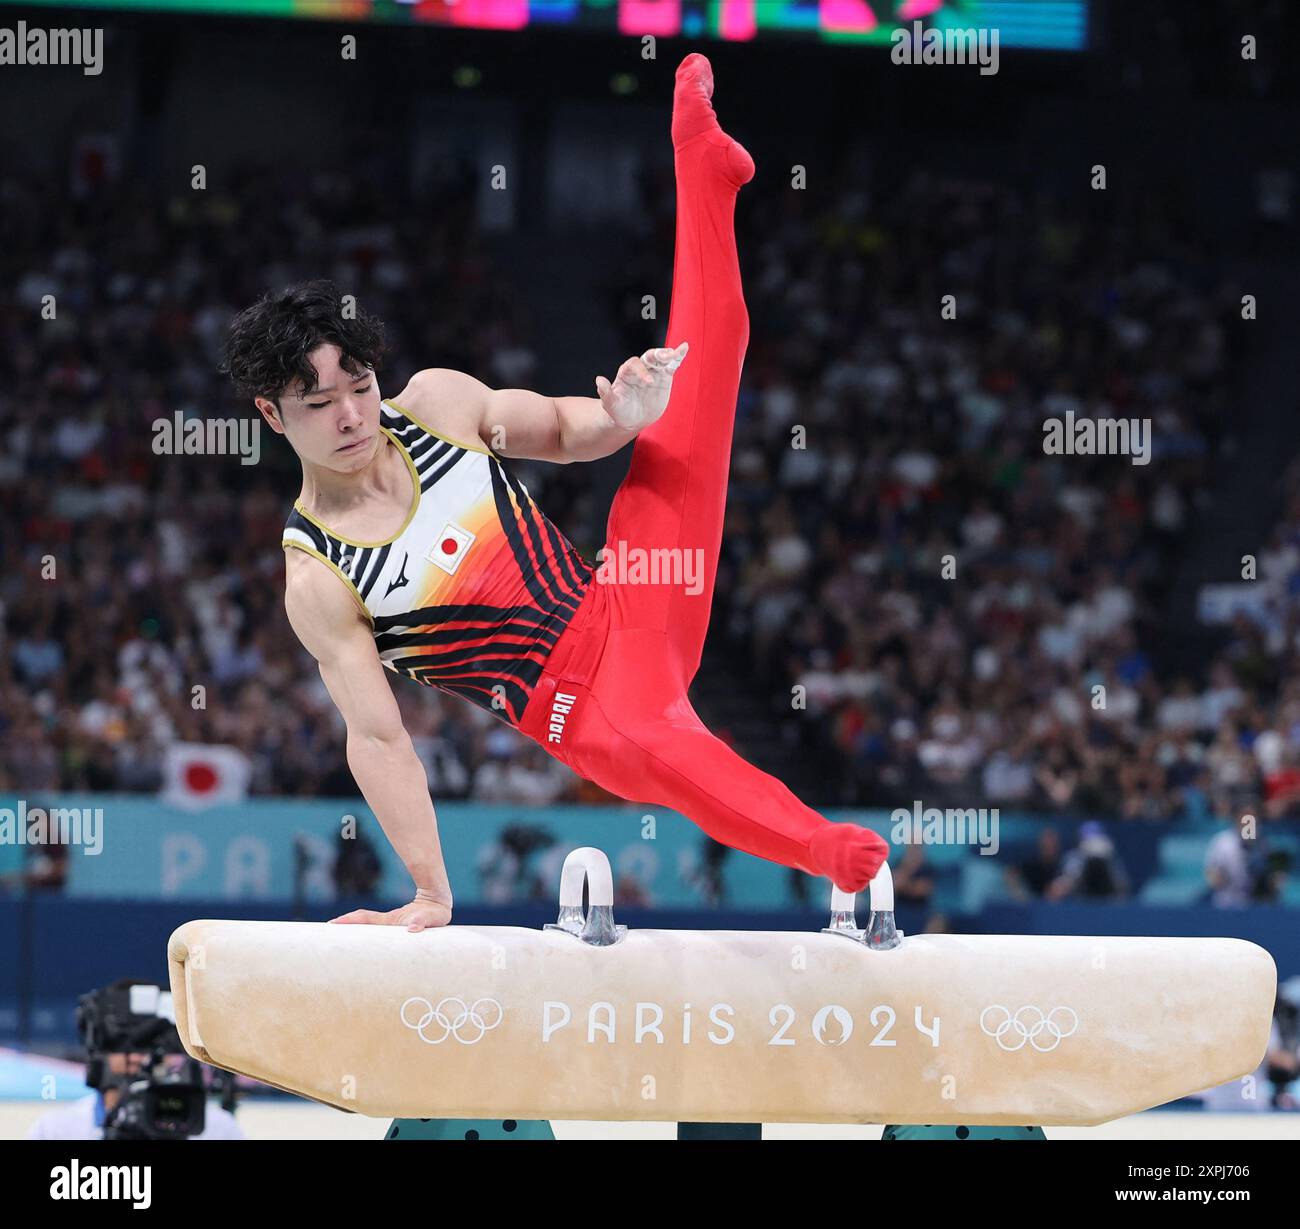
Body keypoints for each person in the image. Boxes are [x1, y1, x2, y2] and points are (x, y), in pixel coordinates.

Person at [219, 54, 887, 930]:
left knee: (696, 386)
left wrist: (626, 413)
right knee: (673, 751)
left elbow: (569, 433)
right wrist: (429, 890)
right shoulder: (319, 574)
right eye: (319, 403)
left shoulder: (438, 405)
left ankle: (703, 171)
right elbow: (380, 738)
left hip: (629, 594)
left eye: (360, 387)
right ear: (272, 413)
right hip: (578, 704)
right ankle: (821, 846)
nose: (351, 415)